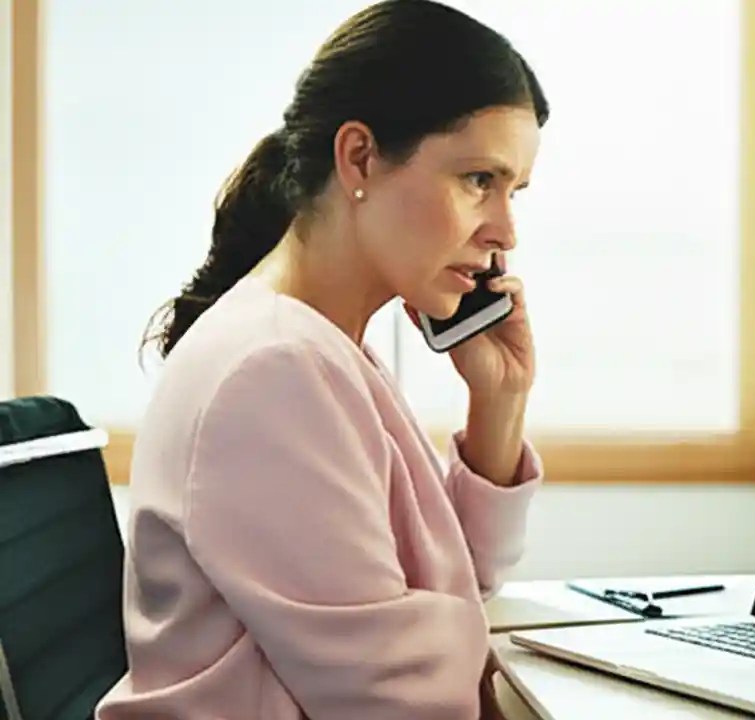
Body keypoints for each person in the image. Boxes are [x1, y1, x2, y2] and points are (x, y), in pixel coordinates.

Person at [95, 1, 549, 718]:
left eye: (513, 190)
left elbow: (450, 583)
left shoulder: (315, 345)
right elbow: (396, 696)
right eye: (477, 181)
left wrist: (501, 400)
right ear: (359, 157)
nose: (505, 232)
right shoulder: (273, 371)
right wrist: (459, 638)